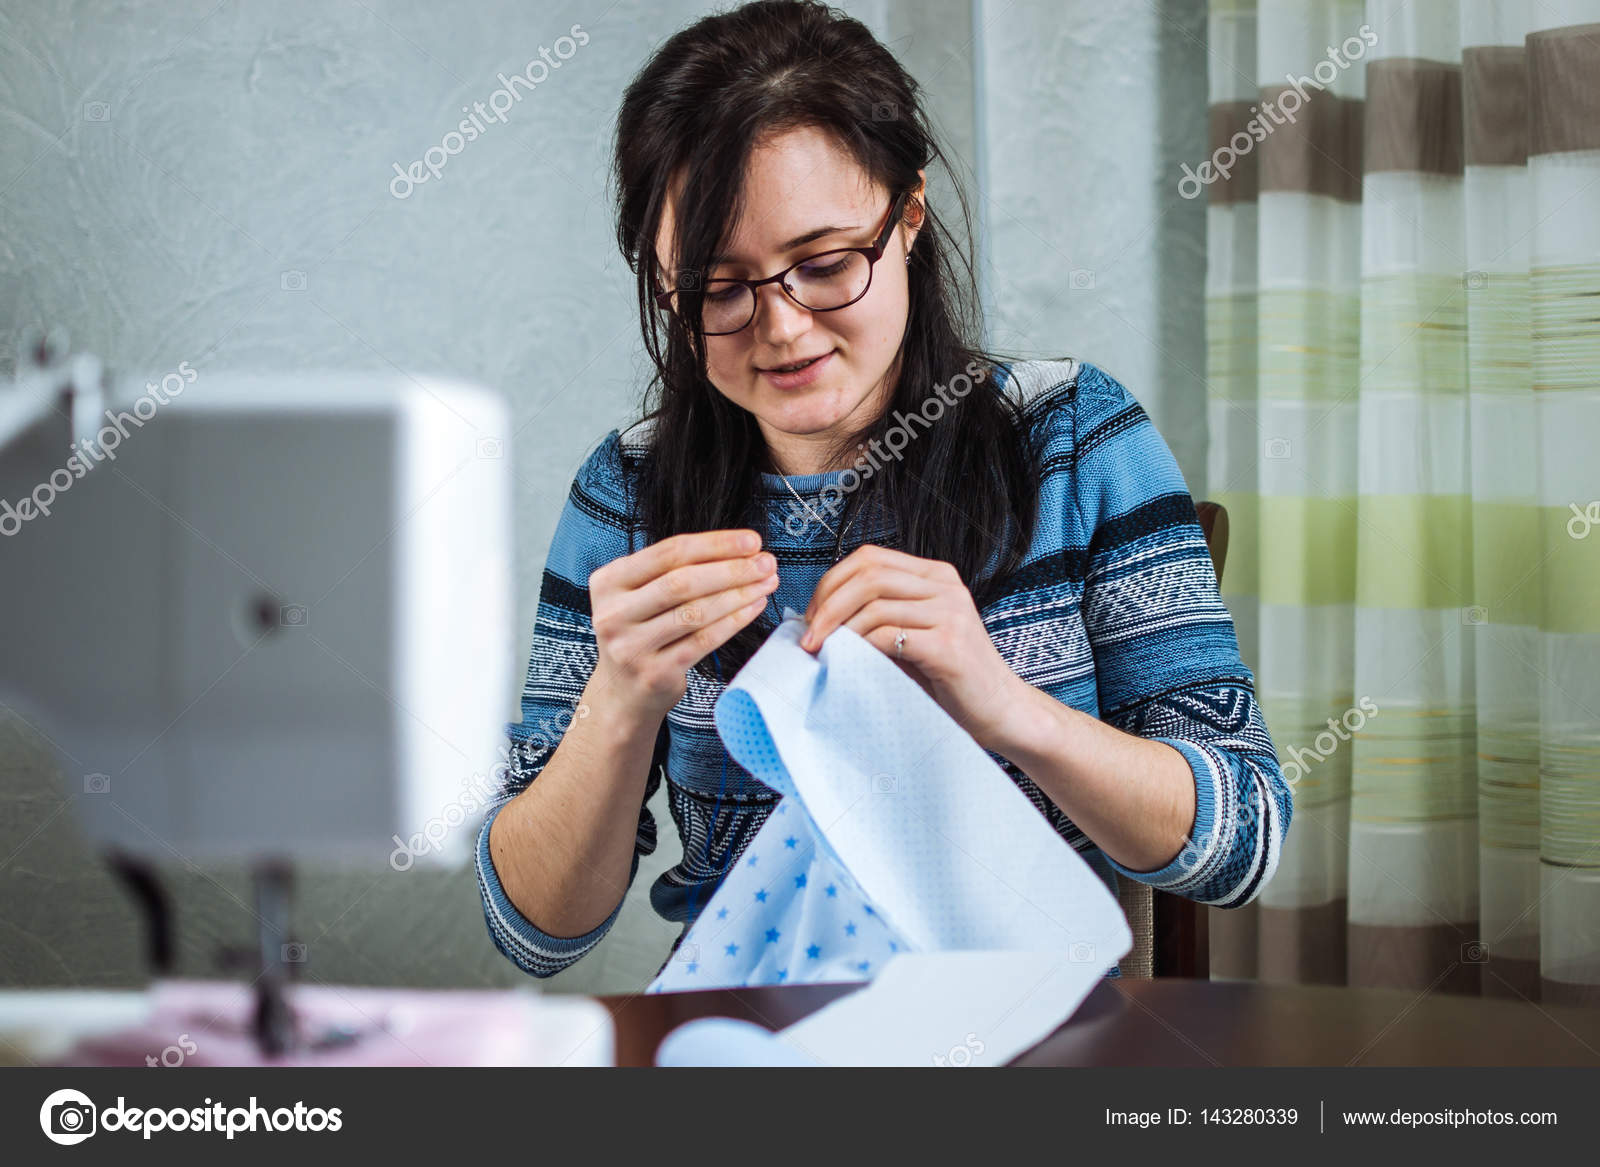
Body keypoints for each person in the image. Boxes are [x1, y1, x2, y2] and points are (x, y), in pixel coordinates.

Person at [475, 0, 1291, 984]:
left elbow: (1245, 841)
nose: (780, 328)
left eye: (822, 265)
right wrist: (618, 701)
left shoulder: (1071, 440)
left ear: (905, 218)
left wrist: (1004, 707)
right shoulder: (628, 495)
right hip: (746, 1042)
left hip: (1028, 1037)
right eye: (715, 289)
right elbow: (533, 934)